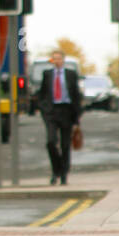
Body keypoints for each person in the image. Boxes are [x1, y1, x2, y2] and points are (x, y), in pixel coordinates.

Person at [38, 51, 82, 185]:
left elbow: (76, 95)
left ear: (63, 60)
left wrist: (76, 118)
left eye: (59, 59)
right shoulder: (47, 74)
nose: (57, 61)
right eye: (54, 59)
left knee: (65, 145)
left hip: (66, 111)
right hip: (51, 111)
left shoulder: (71, 74)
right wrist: (43, 108)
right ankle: (56, 169)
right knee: (51, 142)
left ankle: (63, 174)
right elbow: (42, 93)